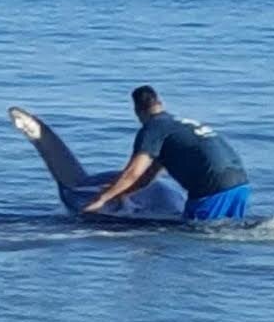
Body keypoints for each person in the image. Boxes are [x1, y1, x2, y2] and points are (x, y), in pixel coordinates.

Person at [82, 85, 250, 220]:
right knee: (227, 235)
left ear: (137, 111)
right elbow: (148, 175)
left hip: (212, 188)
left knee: (201, 242)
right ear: (160, 103)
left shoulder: (152, 129)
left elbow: (133, 173)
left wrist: (102, 199)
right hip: (240, 183)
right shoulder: (178, 126)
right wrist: (120, 193)